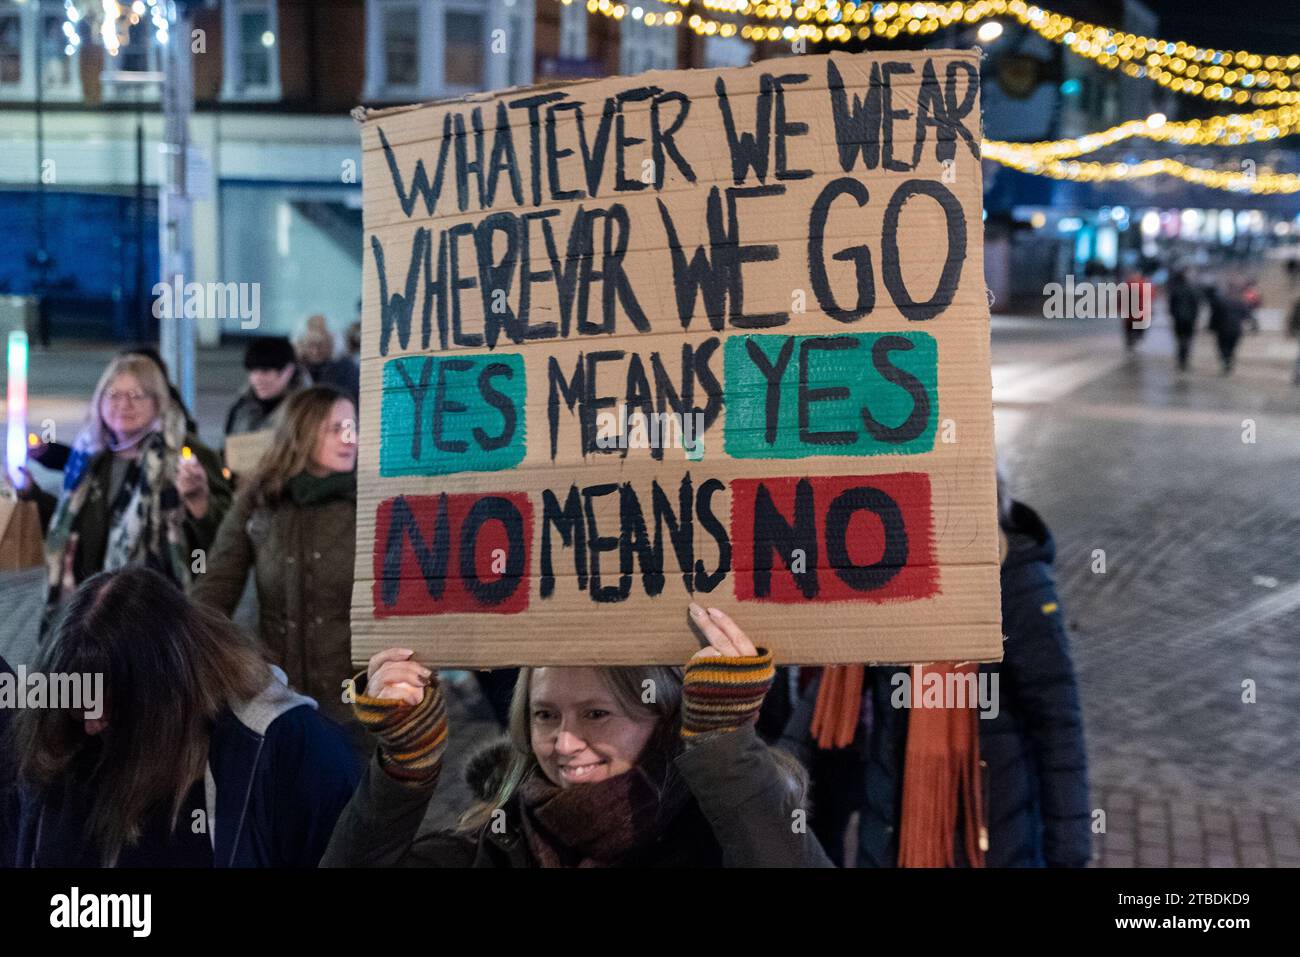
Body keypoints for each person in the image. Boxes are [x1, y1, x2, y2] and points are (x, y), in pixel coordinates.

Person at [321, 604, 832, 868]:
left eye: (595, 714)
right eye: (545, 715)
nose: (564, 743)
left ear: (663, 718)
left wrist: (725, 747)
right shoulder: (496, 842)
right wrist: (402, 769)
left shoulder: (720, 843)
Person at [10, 567, 359, 867]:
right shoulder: (63, 737)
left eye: (110, 706)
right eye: (79, 705)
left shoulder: (284, 747)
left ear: (163, 694)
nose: (92, 725)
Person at [854, 482, 1091, 868]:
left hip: (992, 836)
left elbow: (1057, 722)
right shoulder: (882, 571)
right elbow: (845, 685)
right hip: (893, 833)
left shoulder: (1017, 582)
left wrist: (1069, 851)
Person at [14, 353, 230, 634]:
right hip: (89, 617)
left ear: (158, 401)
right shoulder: (91, 457)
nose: (123, 405)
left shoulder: (186, 454)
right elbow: (71, 527)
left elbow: (224, 540)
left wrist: (199, 502)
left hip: (158, 620)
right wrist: (31, 493)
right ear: (99, 401)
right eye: (113, 395)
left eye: (137, 395)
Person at [193, 387, 360, 742]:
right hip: (276, 702)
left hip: (354, 707)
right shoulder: (259, 501)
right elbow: (215, 586)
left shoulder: (369, 504)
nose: (350, 438)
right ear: (301, 433)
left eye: (352, 427)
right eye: (336, 429)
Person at [223, 336, 302, 438]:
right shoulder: (240, 408)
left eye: (265, 371)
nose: (257, 379)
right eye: (253, 371)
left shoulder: (305, 410)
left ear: (288, 371)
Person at [1206, 282, 1245, 375]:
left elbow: (1214, 316)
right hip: (1235, 329)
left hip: (1222, 329)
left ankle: (1226, 361)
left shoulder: (1221, 301)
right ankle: (1228, 360)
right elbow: (1247, 314)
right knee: (1231, 347)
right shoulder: (1239, 302)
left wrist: (1211, 327)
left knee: (1223, 347)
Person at [1167, 270, 1200, 373]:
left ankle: (1181, 360)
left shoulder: (1175, 290)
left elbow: (1171, 306)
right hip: (1190, 320)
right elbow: (1196, 305)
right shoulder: (1192, 289)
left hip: (1178, 319)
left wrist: (1173, 315)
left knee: (1180, 340)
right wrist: (1195, 317)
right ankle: (1184, 360)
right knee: (1187, 340)